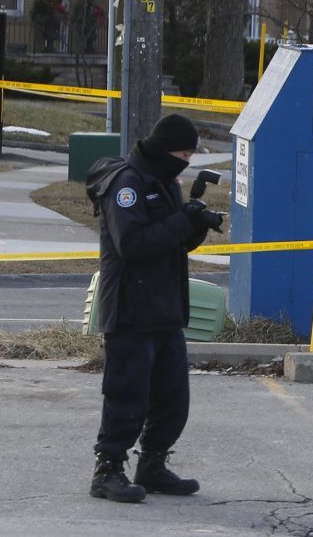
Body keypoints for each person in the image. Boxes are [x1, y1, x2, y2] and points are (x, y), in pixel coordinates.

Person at [84, 114, 225, 502]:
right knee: (127, 393)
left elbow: (172, 241)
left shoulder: (163, 181)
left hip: (164, 308)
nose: (185, 161)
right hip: (131, 308)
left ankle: (153, 463)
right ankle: (107, 470)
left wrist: (194, 224)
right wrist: (182, 222)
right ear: (165, 150)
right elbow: (133, 246)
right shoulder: (126, 185)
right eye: (182, 153)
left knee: (172, 395)